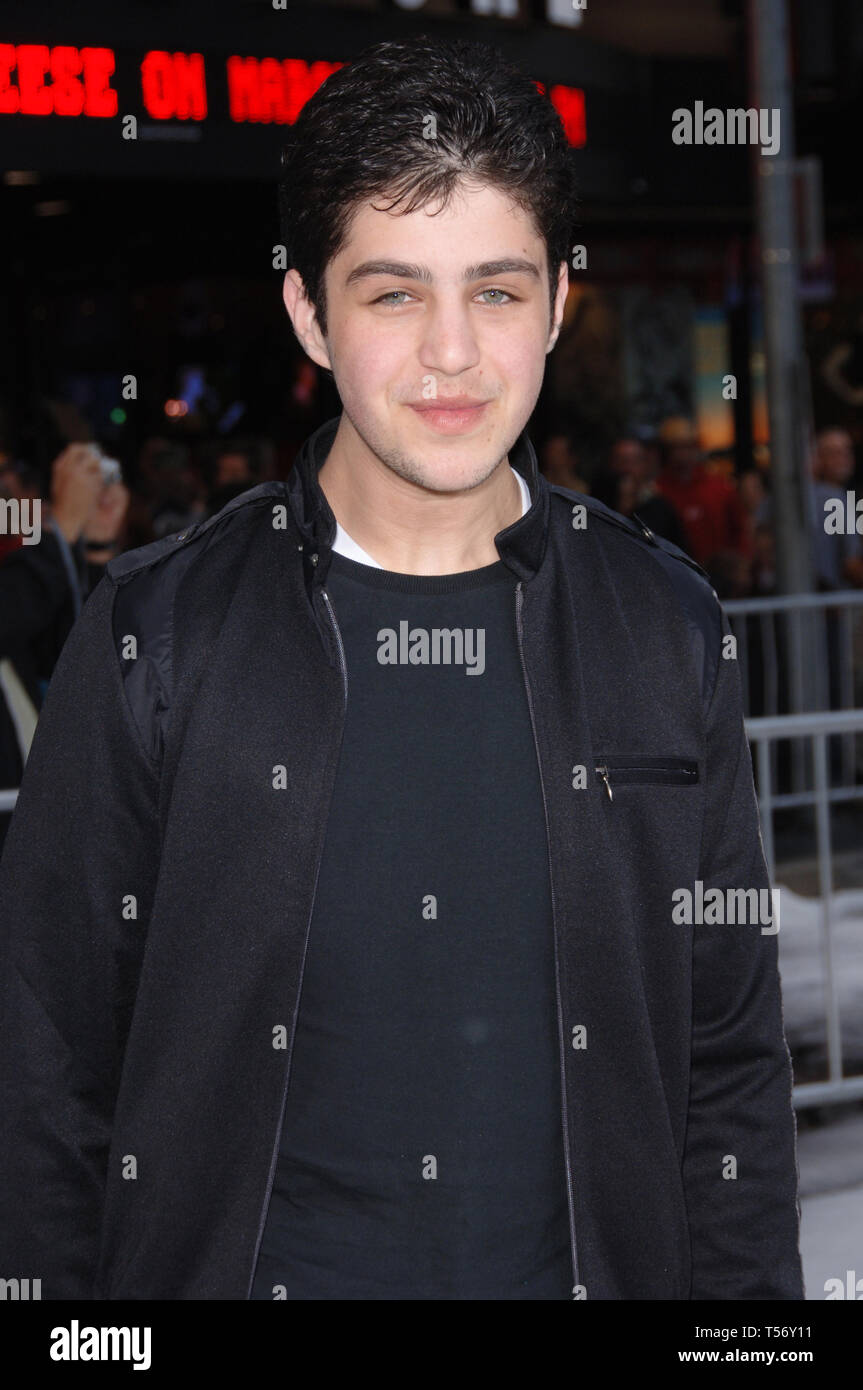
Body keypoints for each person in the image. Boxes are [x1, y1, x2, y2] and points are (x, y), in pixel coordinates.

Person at [0, 35, 803, 1302]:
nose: (449, 353)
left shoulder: (664, 627)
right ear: (308, 313)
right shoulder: (158, 634)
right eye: (391, 293)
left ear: (552, 306)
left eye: (492, 290)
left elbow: (728, 1066)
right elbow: (44, 1068)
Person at [655, 416, 750, 569]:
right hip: (678, 574)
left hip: (720, 576)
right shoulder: (658, 491)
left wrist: (741, 565)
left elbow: (739, 530)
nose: (682, 454)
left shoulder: (719, 487)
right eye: (676, 448)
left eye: (688, 447)